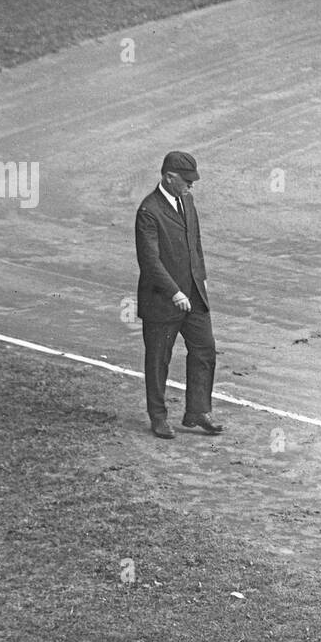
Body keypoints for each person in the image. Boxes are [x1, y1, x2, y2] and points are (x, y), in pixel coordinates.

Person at [134, 150, 223, 439]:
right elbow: (150, 261)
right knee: (159, 359)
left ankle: (197, 410)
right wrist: (174, 292)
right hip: (162, 301)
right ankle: (158, 417)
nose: (191, 185)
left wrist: (202, 278)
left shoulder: (187, 200)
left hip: (194, 295)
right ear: (169, 177)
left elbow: (194, 242)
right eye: (186, 180)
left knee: (205, 348)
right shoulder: (149, 211)